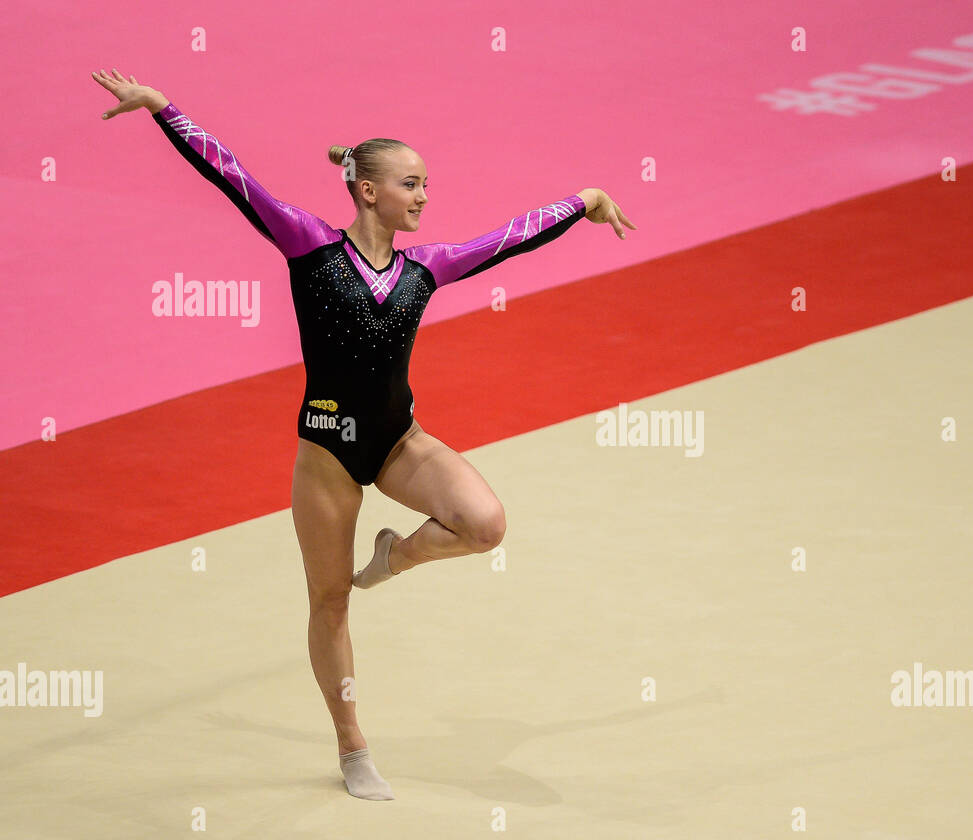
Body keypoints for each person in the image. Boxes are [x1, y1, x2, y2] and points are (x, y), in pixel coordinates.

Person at [92, 68, 636, 800]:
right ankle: (352, 745)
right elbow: (233, 177)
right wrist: (162, 108)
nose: (424, 195)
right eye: (412, 183)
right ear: (368, 190)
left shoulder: (425, 268)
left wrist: (586, 200)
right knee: (329, 601)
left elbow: (510, 239)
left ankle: (397, 556)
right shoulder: (309, 246)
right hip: (327, 453)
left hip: (397, 440)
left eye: (425, 184)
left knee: (485, 524)